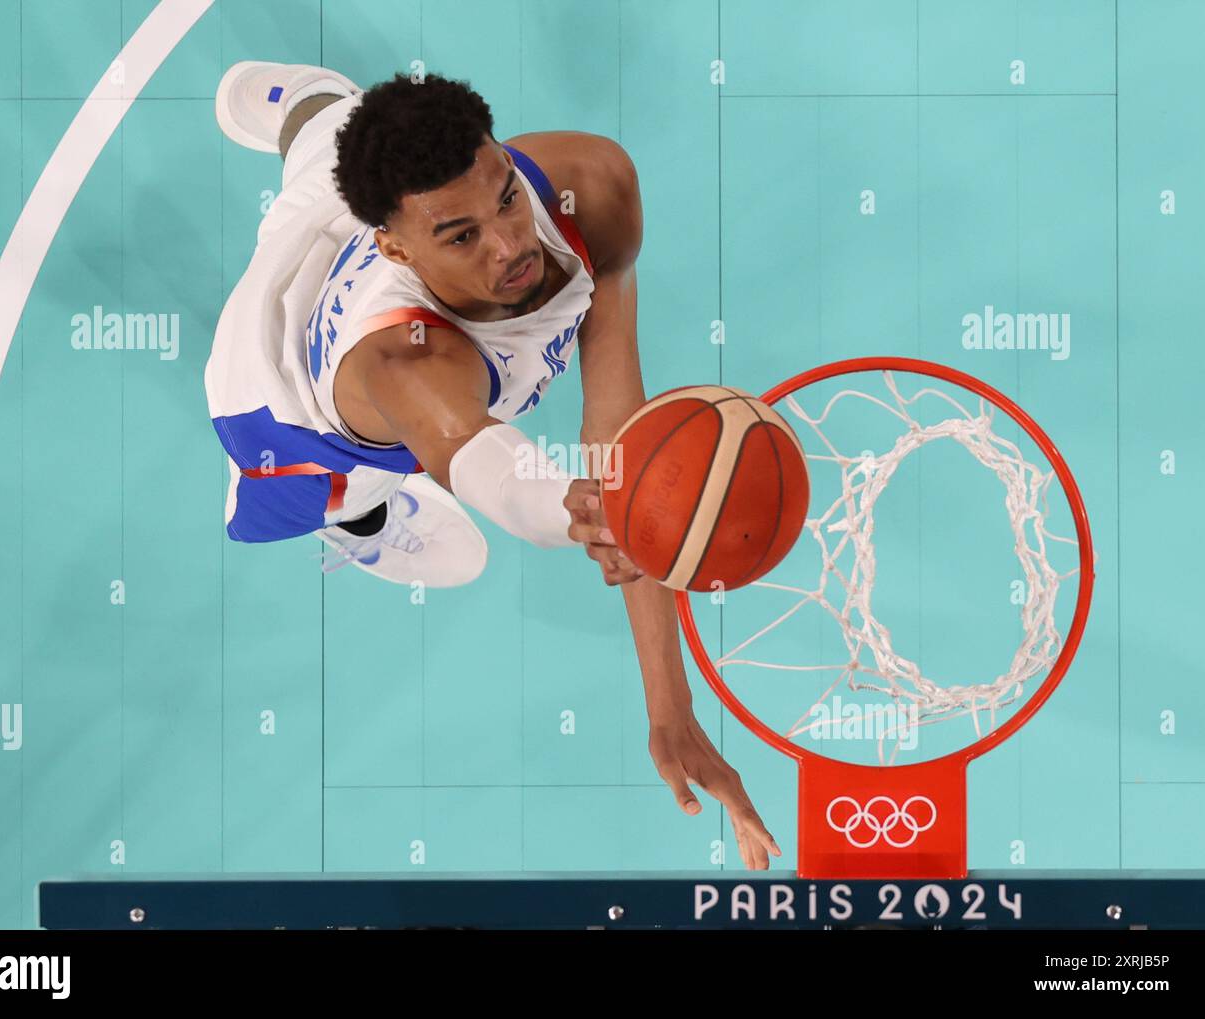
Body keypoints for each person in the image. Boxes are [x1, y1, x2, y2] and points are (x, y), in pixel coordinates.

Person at [206, 62, 779, 869]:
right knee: (347, 493)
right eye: (463, 235)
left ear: (502, 157)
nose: (512, 244)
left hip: (349, 223)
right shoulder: (408, 364)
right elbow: (497, 476)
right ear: (398, 248)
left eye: (505, 196)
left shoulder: (590, 187)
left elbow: (616, 441)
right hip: (291, 417)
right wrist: (573, 510)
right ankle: (367, 520)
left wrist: (670, 705)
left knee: (333, 125)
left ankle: (306, 103)